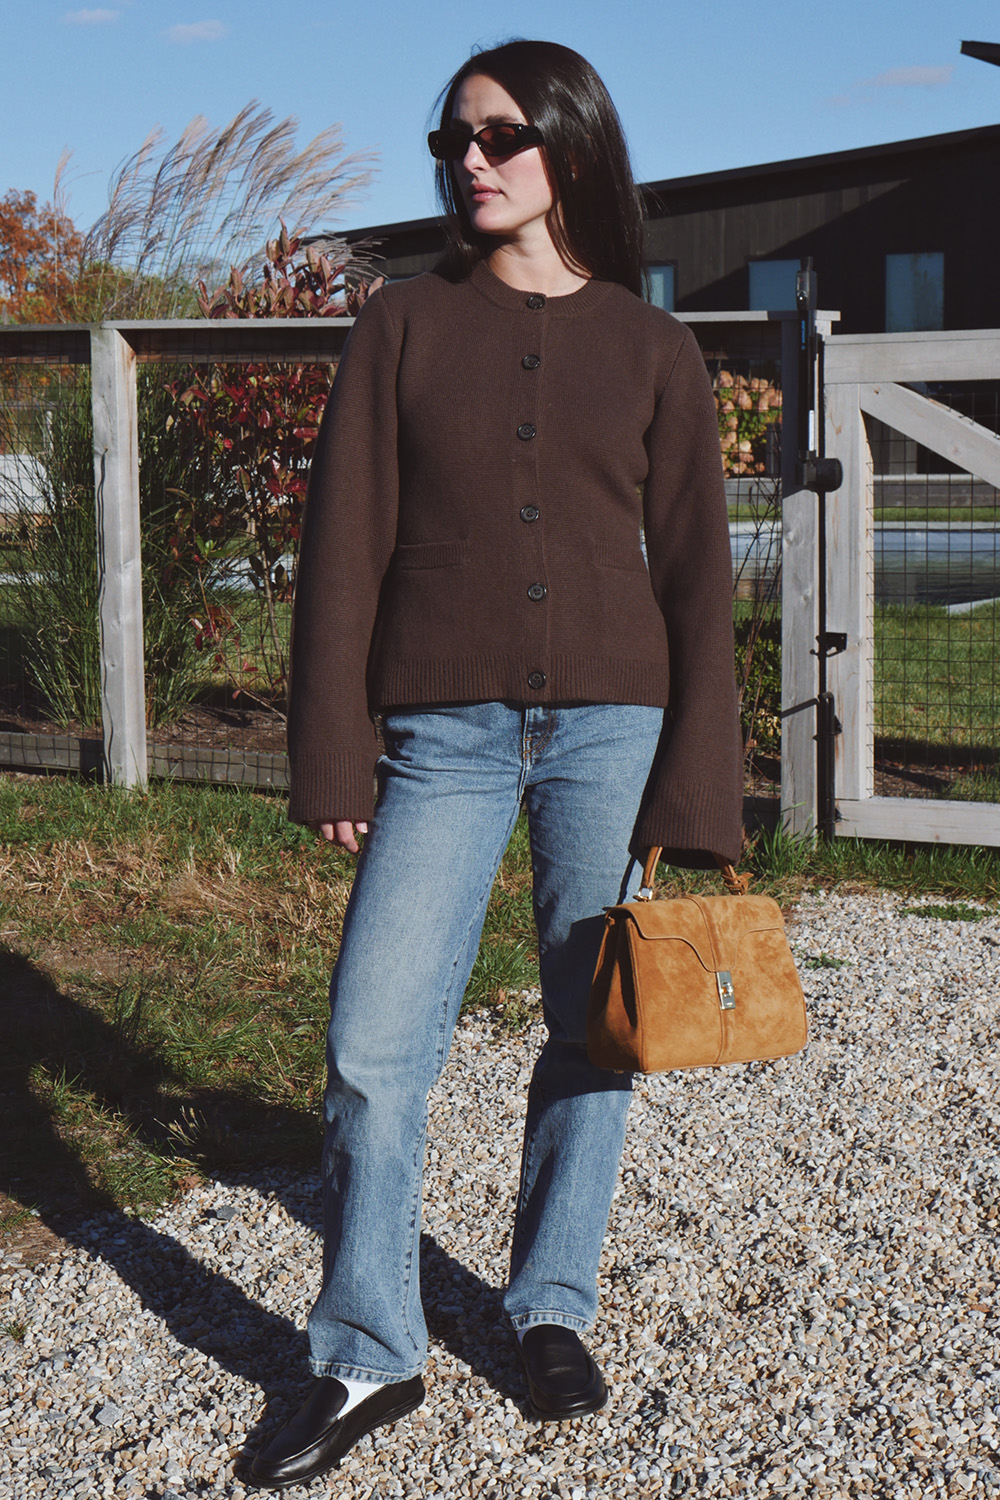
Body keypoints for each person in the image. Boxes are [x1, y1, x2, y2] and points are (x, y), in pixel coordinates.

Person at [249, 37, 743, 1490]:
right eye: (452, 141)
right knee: (370, 1046)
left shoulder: (656, 352)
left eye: (500, 135)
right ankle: (366, 1351)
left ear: (572, 149)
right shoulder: (401, 326)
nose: (470, 160)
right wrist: (335, 746)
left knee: (592, 1030)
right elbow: (344, 552)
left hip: (613, 724)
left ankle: (547, 1304)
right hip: (441, 736)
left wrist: (691, 789)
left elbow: (702, 586)